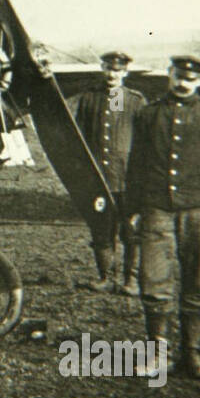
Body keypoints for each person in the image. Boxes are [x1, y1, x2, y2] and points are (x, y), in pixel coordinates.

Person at [125, 54, 200, 380]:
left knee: (197, 281)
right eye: (178, 75)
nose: (183, 82)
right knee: (154, 281)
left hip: (199, 209)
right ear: (169, 75)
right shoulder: (149, 114)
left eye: (190, 78)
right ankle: (157, 353)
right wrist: (132, 209)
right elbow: (137, 166)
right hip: (157, 207)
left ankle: (191, 353)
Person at [69, 51, 146, 294]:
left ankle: (131, 280)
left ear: (125, 72)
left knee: (131, 231)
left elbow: (144, 141)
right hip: (97, 178)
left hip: (126, 178)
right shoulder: (89, 98)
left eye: (118, 70)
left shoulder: (135, 100)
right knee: (101, 229)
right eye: (108, 68)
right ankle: (105, 277)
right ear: (102, 68)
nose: (112, 74)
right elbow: (79, 138)